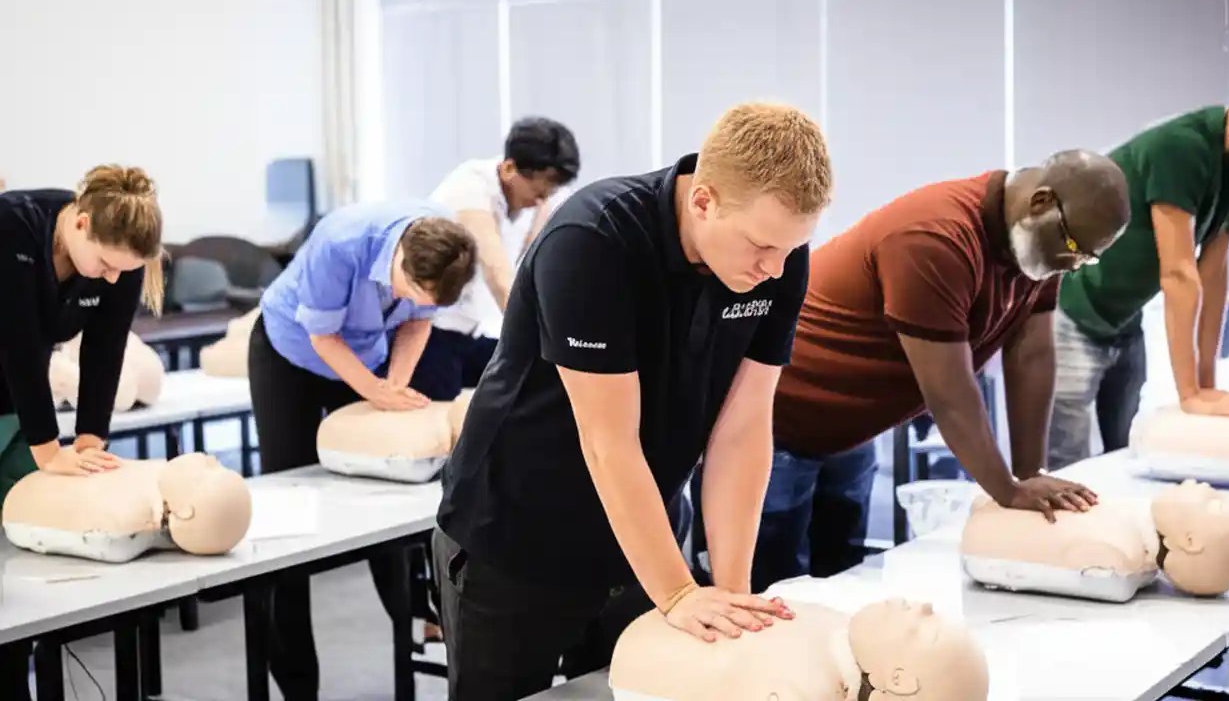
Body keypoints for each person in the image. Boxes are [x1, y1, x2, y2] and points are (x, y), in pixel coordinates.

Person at [431, 102, 834, 701]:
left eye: (789, 250)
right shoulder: (593, 241)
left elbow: (744, 429)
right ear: (704, 201)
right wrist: (677, 593)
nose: (775, 271)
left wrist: (731, 593)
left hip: (643, 535)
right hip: (517, 533)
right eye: (760, 247)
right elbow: (607, 440)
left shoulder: (776, 255)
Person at [709, 150, 1132, 594]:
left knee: (840, 580)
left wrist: (1030, 472)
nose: (1072, 265)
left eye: (1087, 258)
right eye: (1072, 250)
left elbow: (1032, 355)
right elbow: (949, 392)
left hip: (845, 436)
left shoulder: (1038, 245)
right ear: (1041, 202)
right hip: (773, 426)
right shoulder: (935, 236)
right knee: (768, 593)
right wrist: (1005, 489)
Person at [248, 200, 475, 699]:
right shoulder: (341, 242)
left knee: (384, 502)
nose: (411, 300)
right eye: (409, 290)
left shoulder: (445, 252)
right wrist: (374, 392)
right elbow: (322, 334)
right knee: (289, 515)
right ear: (399, 260)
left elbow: (417, 323)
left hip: (365, 358)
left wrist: (392, 387)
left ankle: (406, 640)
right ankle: (297, 684)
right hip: (293, 354)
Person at [1049, 76, 1229, 469]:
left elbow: (1214, 275)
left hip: (1124, 321)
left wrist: (1208, 387)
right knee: (1066, 467)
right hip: (1071, 311)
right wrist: (1189, 394)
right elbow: (1177, 273)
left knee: (1124, 457)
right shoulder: (1182, 147)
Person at [0, 164, 166, 700]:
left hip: (13, 398)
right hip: (14, 373)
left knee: (24, 554)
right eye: (105, 265)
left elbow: (105, 349)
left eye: (125, 271)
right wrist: (49, 452)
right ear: (80, 224)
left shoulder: (121, 259)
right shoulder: (12, 227)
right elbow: (19, 346)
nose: (113, 279)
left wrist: (91, 438)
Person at [411, 116, 580, 402]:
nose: (541, 201)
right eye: (538, 193)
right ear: (509, 168)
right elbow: (497, 273)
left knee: (530, 383)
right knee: (445, 423)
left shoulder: (526, 195)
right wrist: (544, 341)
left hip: (471, 328)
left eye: (548, 194)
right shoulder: (470, 189)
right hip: (431, 333)